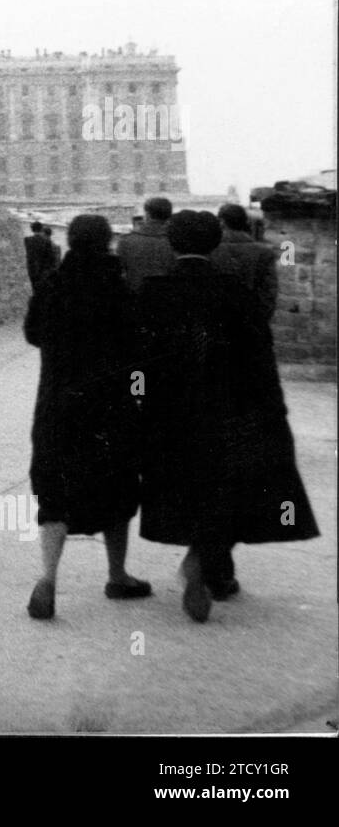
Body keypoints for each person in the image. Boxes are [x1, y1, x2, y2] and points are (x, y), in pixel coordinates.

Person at [137, 210, 319, 622]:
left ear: (172, 243)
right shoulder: (236, 293)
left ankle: (208, 569)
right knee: (233, 487)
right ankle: (207, 569)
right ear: (216, 244)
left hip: (172, 413)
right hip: (232, 408)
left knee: (187, 487)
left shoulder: (153, 293)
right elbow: (260, 357)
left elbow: (139, 361)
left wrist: (140, 402)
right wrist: (274, 407)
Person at [23, 214, 149, 620]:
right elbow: (137, 346)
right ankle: (117, 575)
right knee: (117, 486)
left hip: (58, 403)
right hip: (110, 406)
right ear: (108, 241)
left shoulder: (52, 285)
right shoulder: (120, 286)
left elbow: (32, 333)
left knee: (55, 488)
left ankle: (48, 578)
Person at [210, 203, 278, 324]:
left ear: (222, 222)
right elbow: (269, 293)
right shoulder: (264, 252)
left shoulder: (211, 251)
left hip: (218, 323)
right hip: (253, 322)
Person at [116, 195, 176, 292]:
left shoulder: (126, 241)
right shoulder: (177, 241)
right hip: (171, 297)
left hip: (137, 297)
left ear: (147, 215)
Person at [23, 221, 56, 290]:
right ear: (41, 229)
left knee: (33, 287)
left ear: (32, 229)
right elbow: (51, 257)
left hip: (31, 268)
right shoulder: (47, 241)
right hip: (43, 269)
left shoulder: (27, 240)